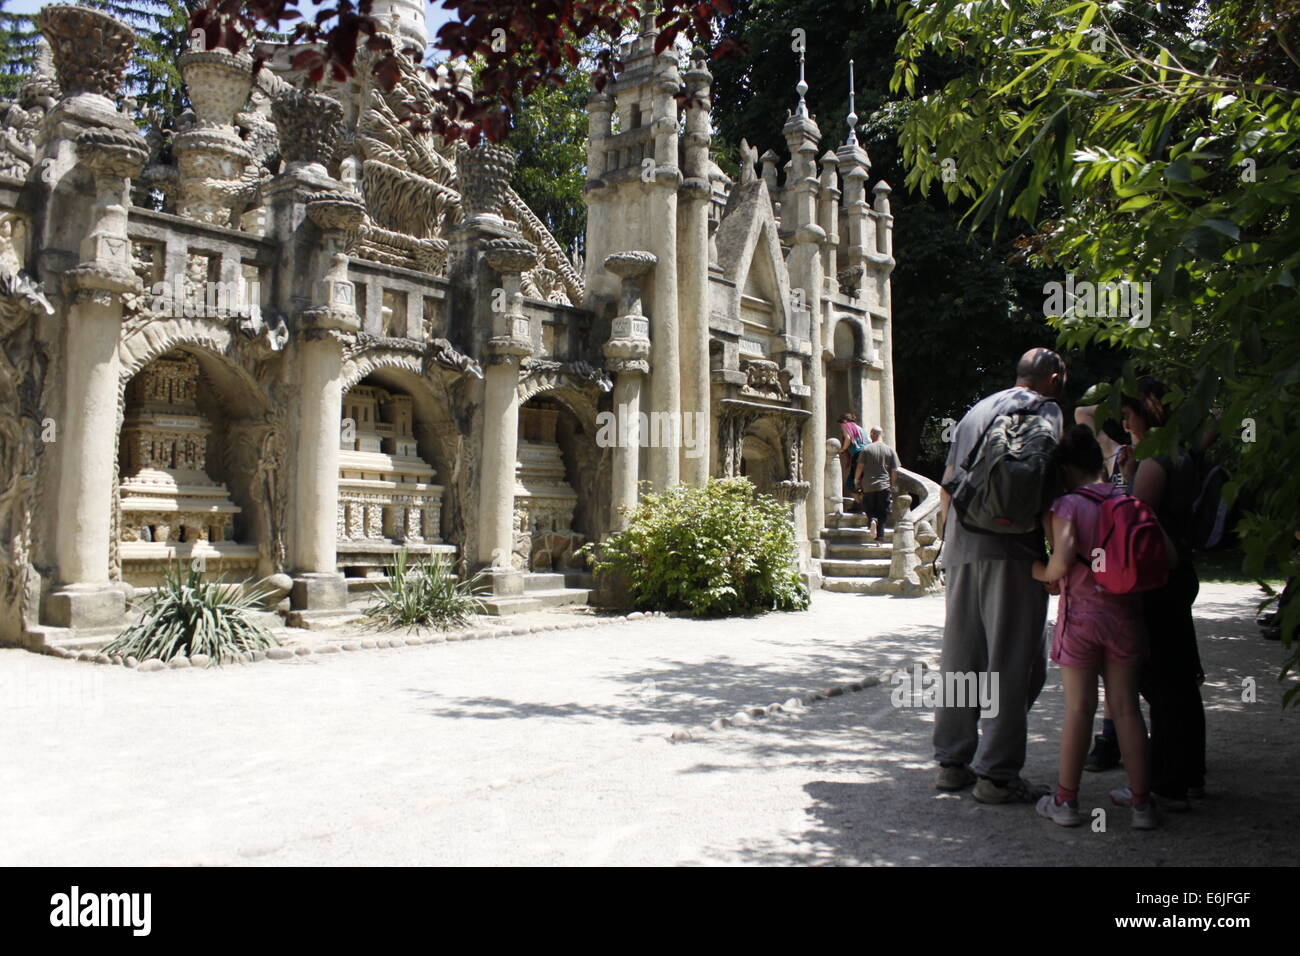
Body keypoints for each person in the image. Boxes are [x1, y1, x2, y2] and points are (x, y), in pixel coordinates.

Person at [933, 347, 1066, 804]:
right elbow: (1050, 490)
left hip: (962, 546)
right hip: (1015, 552)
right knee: (1014, 664)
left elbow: (950, 481)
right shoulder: (1048, 411)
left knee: (960, 658)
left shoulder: (977, 410)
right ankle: (997, 775)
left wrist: (949, 545)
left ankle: (952, 764)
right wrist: (1056, 559)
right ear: (1053, 377)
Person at [1030, 425, 1158, 829]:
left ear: (1065, 468)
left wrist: (1037, 570)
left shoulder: (1067, 505)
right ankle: (1142, 806)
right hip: (1125, 616)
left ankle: (1066, 802)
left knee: (1079, 709)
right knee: (1126, 710)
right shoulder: (1127, 499)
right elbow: (1166, 557)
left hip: (1081, 621)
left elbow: (1061, 564)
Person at [1114, 378, 1205, 810]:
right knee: (1182, 679)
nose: (1125, 419)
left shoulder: (1155, 458)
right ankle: (1189, 775)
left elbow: (1138, 520)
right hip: (1179, 570)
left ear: (1145, 412)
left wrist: (1129, 479)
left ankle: (1167, 781)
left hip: (1158, 577)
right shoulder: (1180, 451)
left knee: (1163, 681)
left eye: (1129, 412)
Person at [854, 427, 899, 542]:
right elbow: (894, 470)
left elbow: (860, 466)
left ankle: (872, 520)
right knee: (883, 512)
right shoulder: (890, 450)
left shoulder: (866, 449)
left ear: (872, 435)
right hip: (884, 485)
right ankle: (879, 539)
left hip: (868, 485)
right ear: (881, 434)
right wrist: (892, 485)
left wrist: (856, 479)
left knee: (869, 507)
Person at [838, 413, 868, 510]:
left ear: (845, 421)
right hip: (867, 456)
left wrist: (842, 449)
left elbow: (848, 438)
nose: (840, 426)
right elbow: (869, 441)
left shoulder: (847, 426)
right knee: (862, 483)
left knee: (850, 485)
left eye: (841, 423)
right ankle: (859, 505)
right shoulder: (861, 429)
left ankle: (861, 505)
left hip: (858, 456)